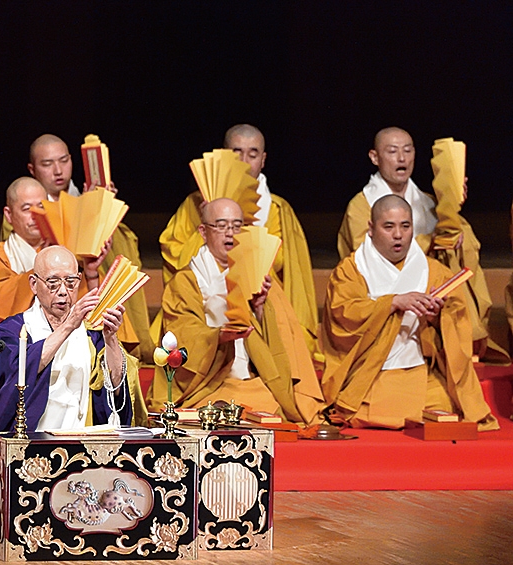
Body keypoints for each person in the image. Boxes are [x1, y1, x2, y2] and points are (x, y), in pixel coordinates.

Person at [0, 245, 148, 529]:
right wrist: (68, 326)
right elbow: (20, 375)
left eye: (71, 283)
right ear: (34, 284)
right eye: (53, 283)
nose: (63, 293)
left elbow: (115, 387)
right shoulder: (13, 329)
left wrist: (112, 339)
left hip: (82, 447)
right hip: (31, 448)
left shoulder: (92, 333)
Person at [323, 195, 498, 431]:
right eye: (389, 226)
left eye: (405, 226)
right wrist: (392, 303)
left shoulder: (435, 272)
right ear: (371, 229)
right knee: (359, 408)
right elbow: (342, 315)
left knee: (444, 406)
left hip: (421, 374)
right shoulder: (351, 271)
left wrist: (437, 318)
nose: (398, 235)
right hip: (373, 374)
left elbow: (458, 324)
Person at [149, 198, 324, 425]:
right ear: (203, 231)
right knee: (217, 410)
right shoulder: (186, 280)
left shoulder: (256, 274)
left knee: (270, 410)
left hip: (248, 380)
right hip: (207, 383)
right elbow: (180, 333)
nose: (229, 233)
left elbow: (283, 336)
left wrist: (260, 308)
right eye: (221, 226)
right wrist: (218, 337)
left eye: (236, 226)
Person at [336, 127, 501, 361]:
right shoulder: (361, 206)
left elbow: (458, 241)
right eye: (392, 151)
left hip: (431, 294)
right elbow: (367, 257)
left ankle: (460, 344)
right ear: (374, 157)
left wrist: (451, 206)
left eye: (407, 150)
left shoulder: (427, 202)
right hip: (386, 301)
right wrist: (431, 241)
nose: (402, 158)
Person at [158, 125, 318, 352]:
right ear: (223, 154)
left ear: (263, 160)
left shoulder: (277, 210)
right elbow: (175, 258)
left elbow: (292, 272)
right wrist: (207, 223)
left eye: (252, 154)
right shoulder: (194, 204)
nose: (244, 161)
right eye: (236, 153)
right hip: (203, 303)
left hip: (261, 306)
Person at [0, 134, 154, 363]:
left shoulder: (83, 203)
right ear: (32, 169)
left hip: (78, 301)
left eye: (63, 161)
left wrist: (101, 213)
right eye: (47, 164)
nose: (58, 170)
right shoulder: (23, 208)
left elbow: (114, 253)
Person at [0, 177, 111, 427]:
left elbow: (92, 316)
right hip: (14, 351)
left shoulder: (67, 257)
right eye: (26, 208)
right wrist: (47, 269)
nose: (35, 215)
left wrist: (89, 274)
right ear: (8, 214)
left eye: (42, 207)